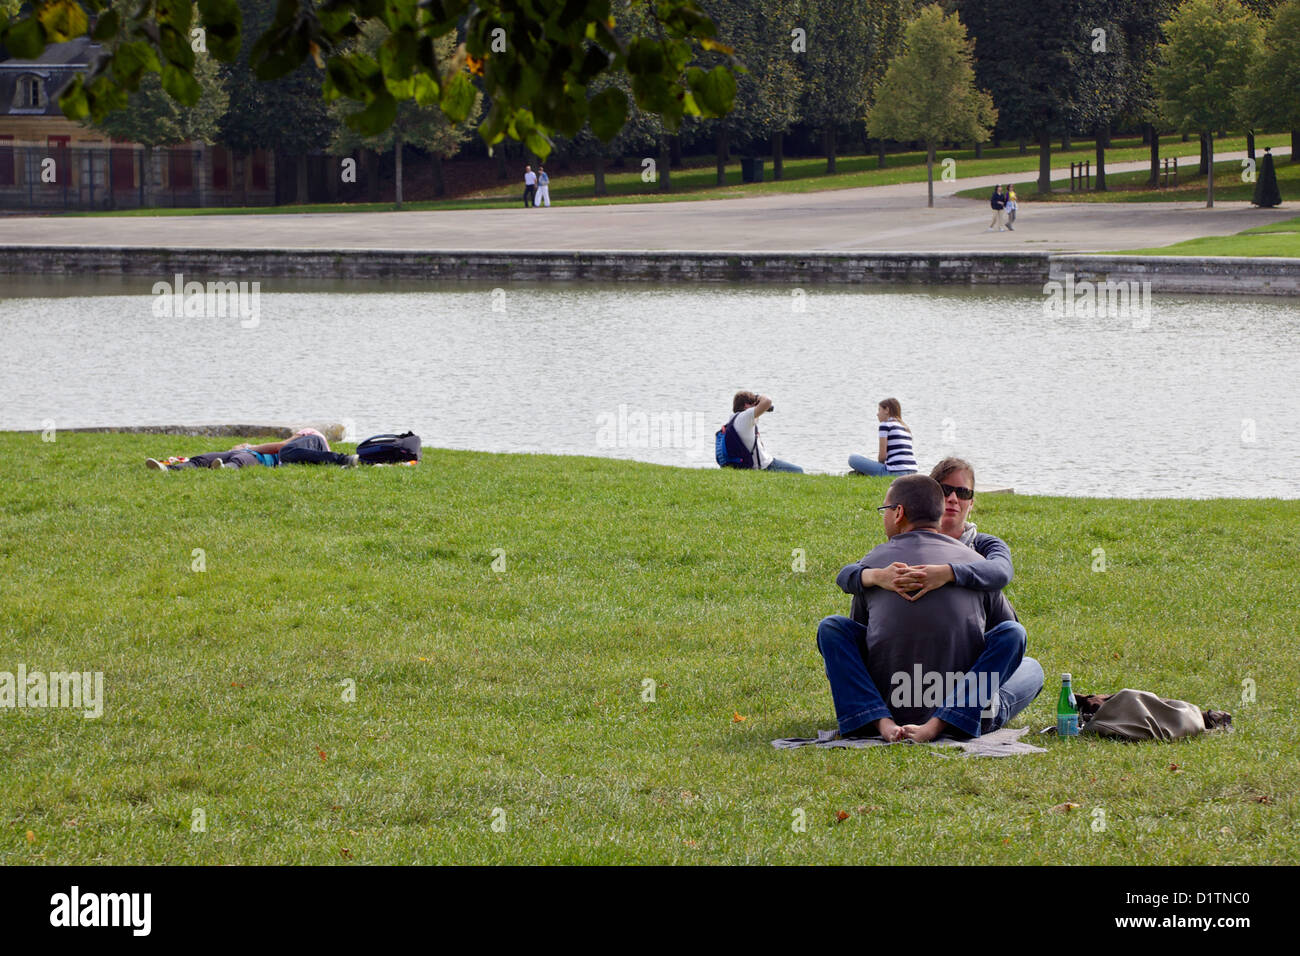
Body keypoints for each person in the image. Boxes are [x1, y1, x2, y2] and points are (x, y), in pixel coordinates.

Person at [816, 474, 1031, 742]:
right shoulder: (977, 564)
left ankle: (877, 720)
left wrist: (872, 577)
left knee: (832, 628)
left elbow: (861, 635)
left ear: (899, 513)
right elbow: (1008, 638)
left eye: (885, 510)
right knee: (1026, 658)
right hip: (963, 709)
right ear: (940, 516)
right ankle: (944, 722)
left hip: (892, 700)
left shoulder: (876, 563)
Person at [851, 457, 1044, 718]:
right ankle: (967, 712)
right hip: (910, 679)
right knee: (1025, 658)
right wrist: (873, 576)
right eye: (945, 491)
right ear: (931, 499)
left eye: (963, 492)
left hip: (960, 664)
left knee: (1022, 653)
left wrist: (949, 573)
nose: (953, 498)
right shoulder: (892, 558)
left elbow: (1000, 571)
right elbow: (849, 577)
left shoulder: (984, 548)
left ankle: (958, 702)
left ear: (972, 503)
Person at [146, 428, 357, 471]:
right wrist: (246, 448)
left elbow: (282, 447)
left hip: (255, 458)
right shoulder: (299, 443)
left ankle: (223, 469)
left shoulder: (311, 440)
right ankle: (167, 470)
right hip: (245, 452)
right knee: (202, 459)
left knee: (237, 463)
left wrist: (250, 447)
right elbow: (283, 446)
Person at [722, 391, 803, 473]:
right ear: (746, 405)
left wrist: (760, 408)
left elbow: (758, 414)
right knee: (799, 471)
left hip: (747, 463)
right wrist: (757, 397)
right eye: (753, 404)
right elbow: (767, 401)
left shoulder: (734, 418)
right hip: (764, 466)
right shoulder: (746, 416)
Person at [848, 398, 916, 477]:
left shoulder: (885, 425)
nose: (877, 414)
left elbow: (882, 456)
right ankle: (865, 473)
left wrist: (878, 467)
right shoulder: (905, 427)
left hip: (896, 472)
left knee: (853, 458)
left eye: (879, 410)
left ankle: (867, 473)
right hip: (913, 472)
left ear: (886, 410)